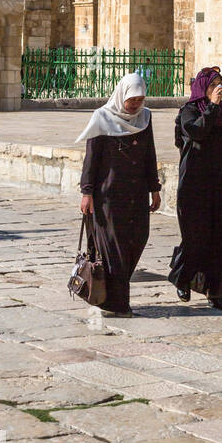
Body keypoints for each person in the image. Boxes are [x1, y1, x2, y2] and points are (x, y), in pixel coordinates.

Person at [78, 72, 161, 318]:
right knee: (114, 249)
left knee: (137, 239)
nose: (136, 104)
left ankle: (111, 295)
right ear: (122, 95)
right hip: (108, 196)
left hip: (135, 193)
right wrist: (87, 192)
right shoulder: (102, 118)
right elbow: (91, 160)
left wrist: (154, 188)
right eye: (132, 99)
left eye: (140, 99)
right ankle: (117, 304)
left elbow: (149, 154)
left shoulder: (145, 118)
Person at [168, 66, 222, 311]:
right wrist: (211, 106)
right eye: (212, 85)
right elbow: (196, 132)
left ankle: (216, 292)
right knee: (196, 238)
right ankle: (182, 278)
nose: (217, 89)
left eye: (219, 84)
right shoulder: (188, 111)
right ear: (203, 88)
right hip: (195, 186)